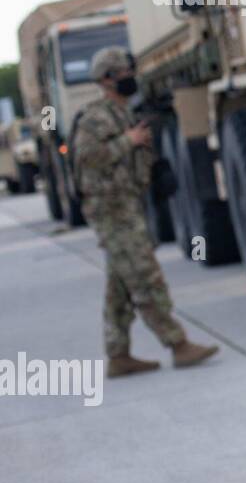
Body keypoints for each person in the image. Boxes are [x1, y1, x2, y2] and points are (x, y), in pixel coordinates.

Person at [72, 47, 219, 378]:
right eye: (123, 73)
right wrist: (129, 141)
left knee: (121, 285)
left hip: (127, 205)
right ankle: (177, 344)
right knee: (145, 277)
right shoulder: (97, 117)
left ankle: (118, 354)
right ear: (107, 79)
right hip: (112, 211)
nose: (130, 78)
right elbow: (87, 156)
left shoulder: (123, 113)